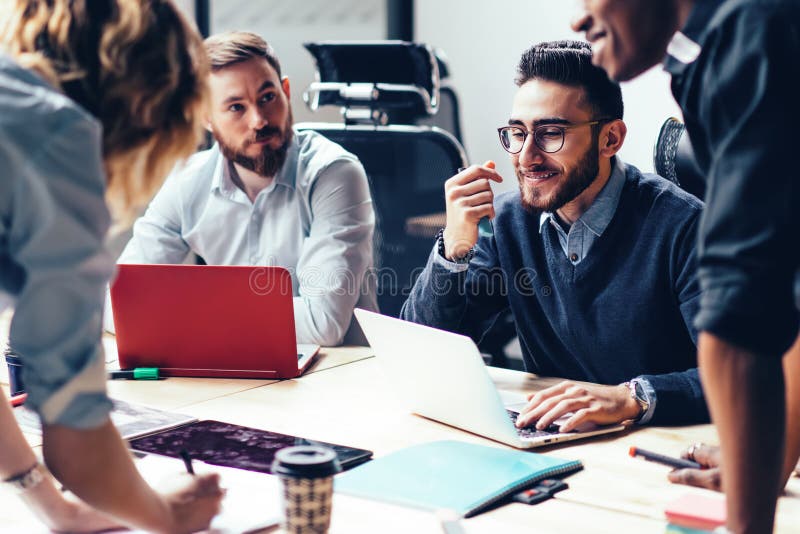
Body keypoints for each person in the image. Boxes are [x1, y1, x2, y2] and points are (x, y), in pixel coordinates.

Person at [572, 2, 800, 532]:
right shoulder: (720, 43)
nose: (578, 22)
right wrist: (764, 459)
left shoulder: (749, 33)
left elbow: (740, 317)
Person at [402, 40, 709, 431]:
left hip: (660, 444)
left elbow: (745, 375)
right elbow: (425, 356)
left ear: (610, 139)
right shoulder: (509, 221)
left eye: (550, 133)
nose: (526, 156)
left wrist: (632, 397)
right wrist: (454, 250)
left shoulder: (685, 228)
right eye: (517, 132)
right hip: (553, 439)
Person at [0, 1, 223, 532]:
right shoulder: (60, 139)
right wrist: (166, 516)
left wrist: (61, 512)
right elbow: (77, 440)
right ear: (150, 106)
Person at [111, 31, 377, 346]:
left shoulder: (333, 174)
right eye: (236, 107)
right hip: (233, 372)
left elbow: (323, 324)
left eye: (268, 97)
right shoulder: (187, 182)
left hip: (334, 375)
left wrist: (188, 312)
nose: (259, 120)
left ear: (286, 91)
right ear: (206, 118)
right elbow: (119, 305)